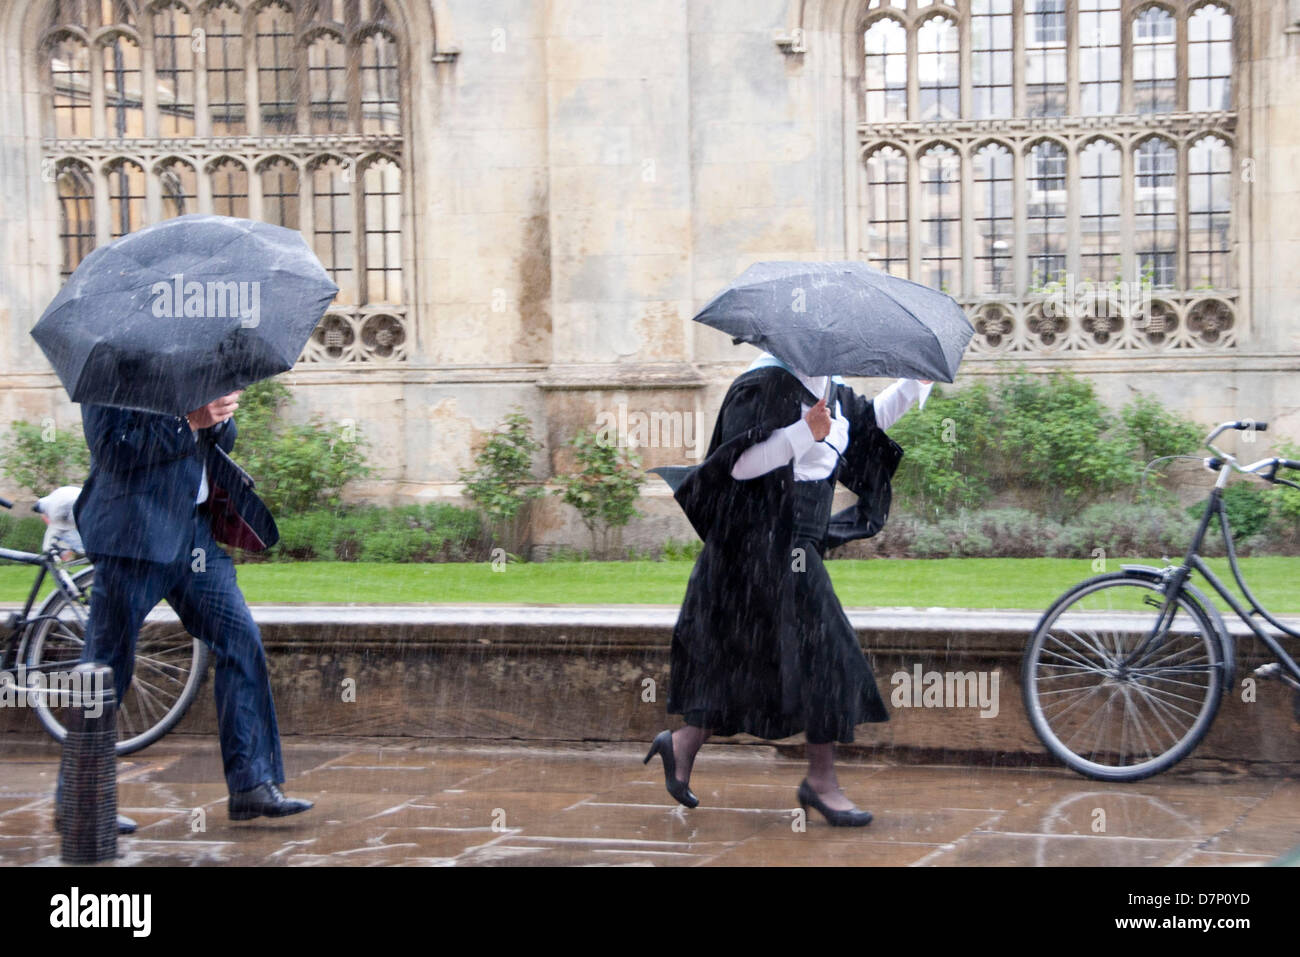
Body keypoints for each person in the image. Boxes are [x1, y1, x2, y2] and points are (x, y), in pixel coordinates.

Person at [645, 352, 930, 826]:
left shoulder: (830, 386)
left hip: (798, 548)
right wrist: (803, 433)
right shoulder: (761, 385)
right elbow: (735, 465)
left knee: (748, 657)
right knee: (827, 654)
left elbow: (867, 424)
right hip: (758, 546)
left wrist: (914, 382)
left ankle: (682, 744)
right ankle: (821, 782)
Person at [58, 391, 313, 833]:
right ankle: (81, 801)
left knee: (240, 642)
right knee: (105, 667)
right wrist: (188, 422)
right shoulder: (116, 366)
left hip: (192, 535)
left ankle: (252, 782)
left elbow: (219, 443)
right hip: (131, 535)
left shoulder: (192, 365)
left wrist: (215, 419)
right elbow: (112, 448)